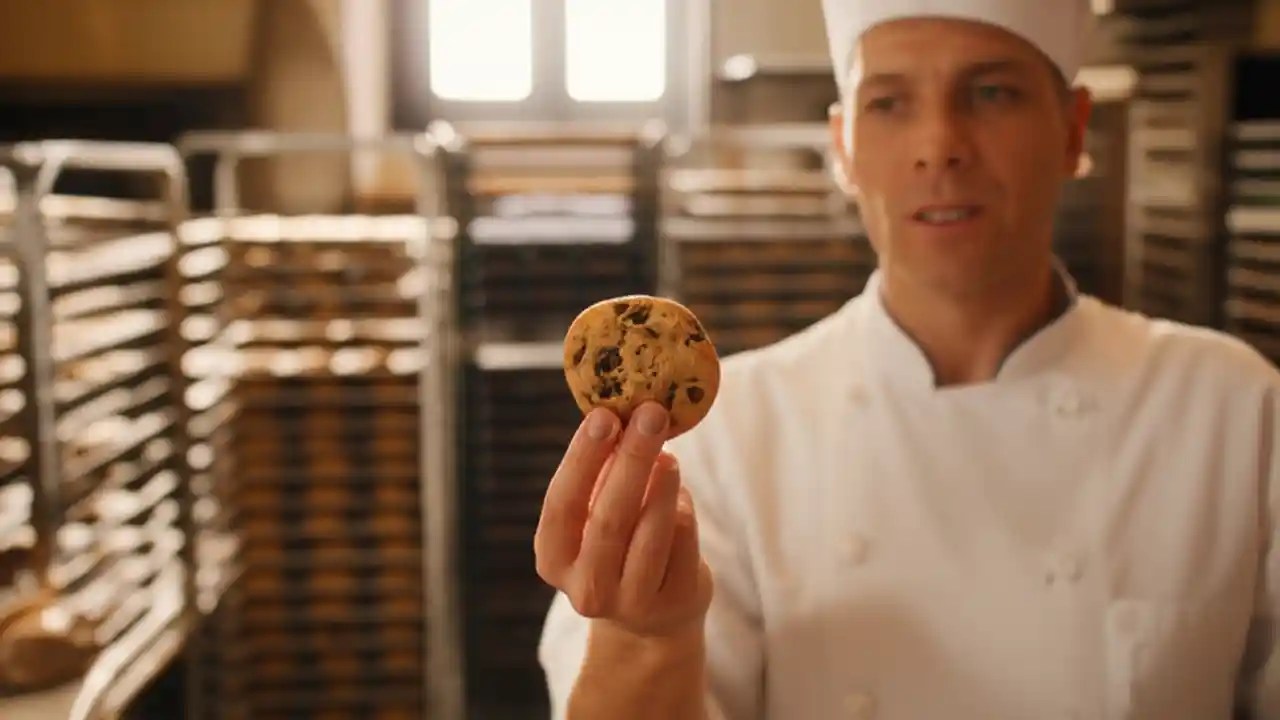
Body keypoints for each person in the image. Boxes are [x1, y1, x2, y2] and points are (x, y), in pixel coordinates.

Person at [534, 0, 1280, 717]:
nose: (939, 145)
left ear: (1072, 131)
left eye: (992, 93)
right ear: (843, 149)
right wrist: (646, 636)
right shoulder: (725, 441)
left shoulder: (1235, 413)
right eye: (889, 102)